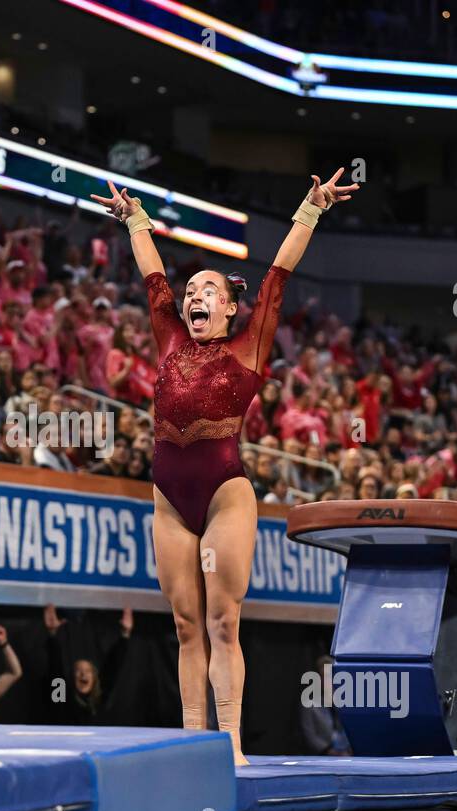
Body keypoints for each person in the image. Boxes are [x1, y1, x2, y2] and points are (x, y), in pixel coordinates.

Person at [93, 169, 355, 763]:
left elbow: (278, 278)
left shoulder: (249, 346)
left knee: (221, 623)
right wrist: (134, 219)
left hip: (223, 494)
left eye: (207, 291)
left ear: (232, 308)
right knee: (185, 625)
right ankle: (193, 741)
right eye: (190, 294)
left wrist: (309, 211)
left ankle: (230, 740)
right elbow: (153, 275)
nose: (192, 298)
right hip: (168, 497)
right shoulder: (168, 341)